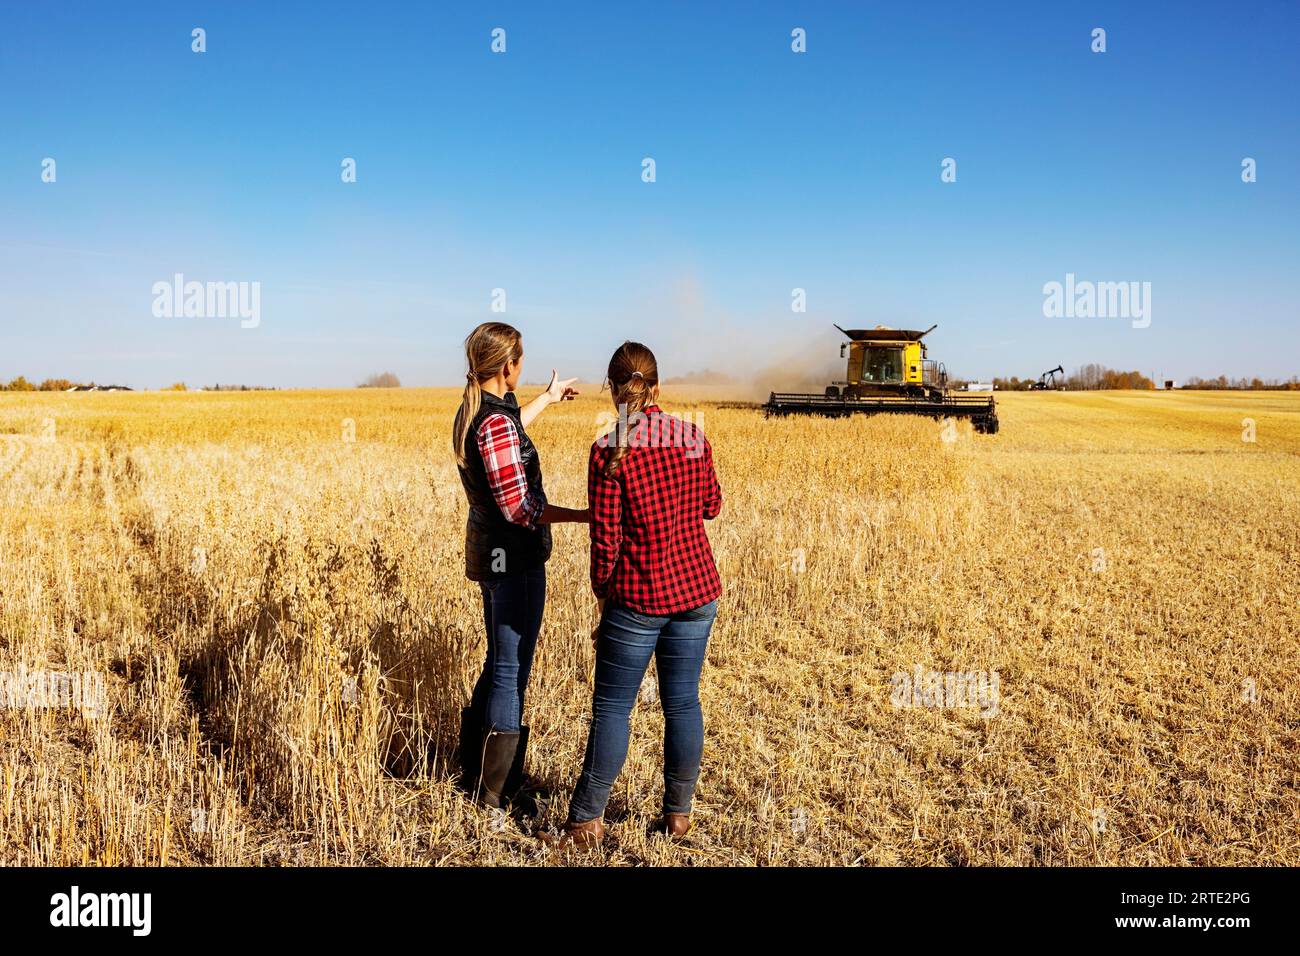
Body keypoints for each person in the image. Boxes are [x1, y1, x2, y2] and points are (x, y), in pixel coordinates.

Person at [550, 341, 723, 848]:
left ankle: (584, 822)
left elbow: (605, 541)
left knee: (611, 709)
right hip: (697, 590)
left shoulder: (607, 451)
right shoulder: (693, 437)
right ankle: (678, 817)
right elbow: (712, 505)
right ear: (658, 387)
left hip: (638, 598)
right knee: (683, 702)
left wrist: (604, 597)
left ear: (612, 389)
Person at [451, 321, 587, 809]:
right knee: (511, 669)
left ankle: (474, 768)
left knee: (498, 661)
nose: (522, 367)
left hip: (490, 556)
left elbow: (508, 435)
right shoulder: (493, 424)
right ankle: (497, 791)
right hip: (515, 563)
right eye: (521, 360)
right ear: (508, 366)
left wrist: (548, 398)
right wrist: (586, 515)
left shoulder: (479, 415)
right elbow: (520, 509)